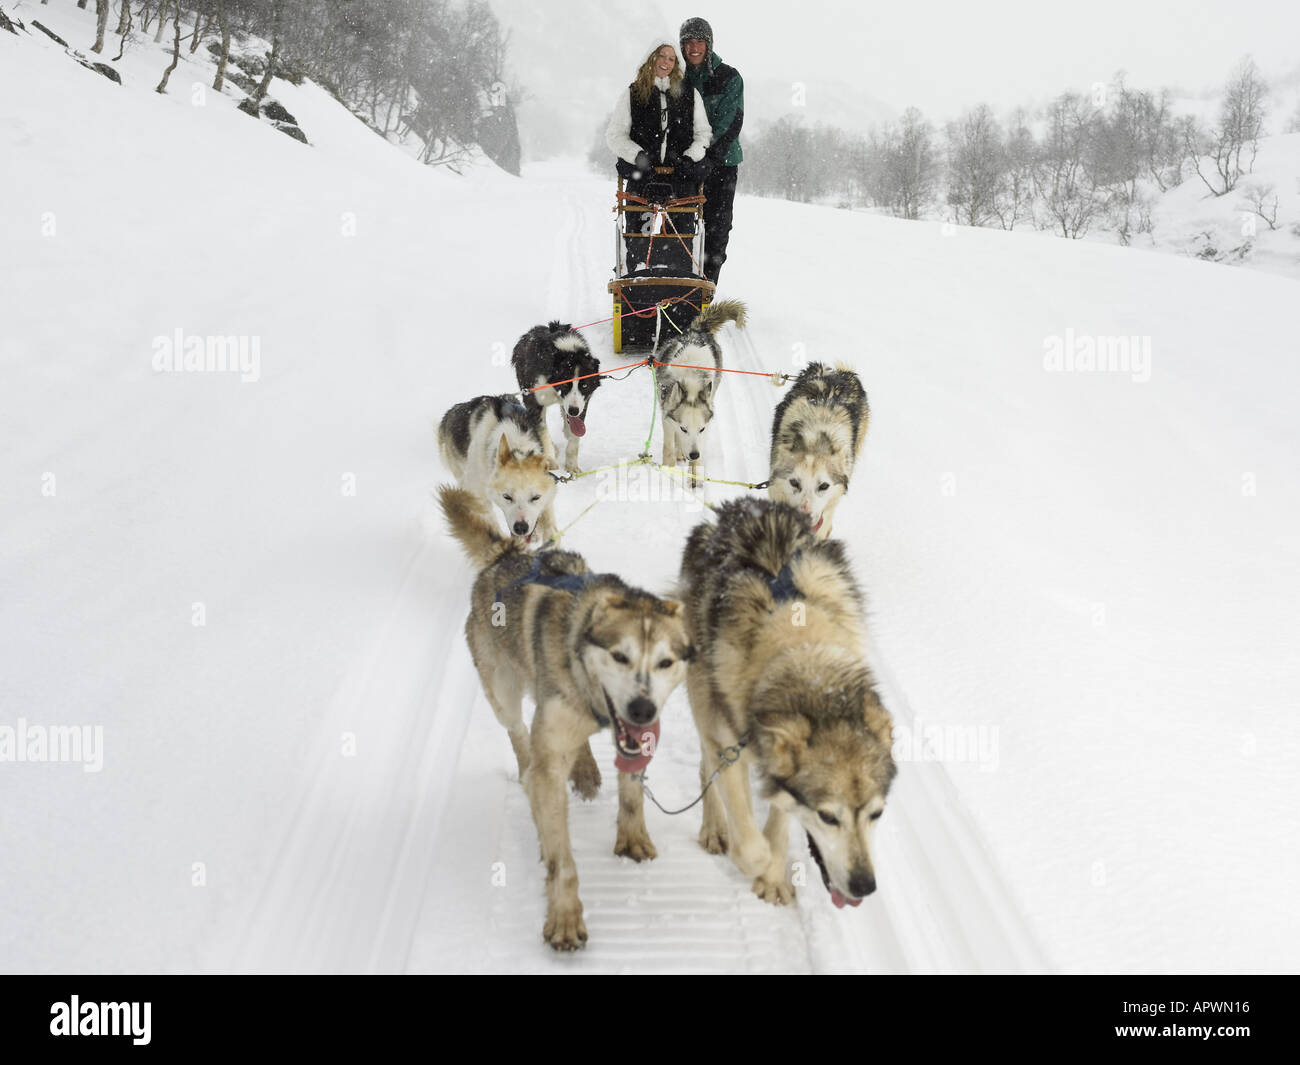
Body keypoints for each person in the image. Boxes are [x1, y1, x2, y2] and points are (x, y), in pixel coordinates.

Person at [606, 41, 712, 270]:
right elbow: (615, 135)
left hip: (681, 176)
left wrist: (688, 158)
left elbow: (703, 135)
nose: (666, 62)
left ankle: (679, 285)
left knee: (680, 238)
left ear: (677, 65)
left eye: (672, 59)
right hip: (643, 175)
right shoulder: (633, 93)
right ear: (651, 58)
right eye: (661, 56)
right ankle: (635, 282)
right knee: (638, 238)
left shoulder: (690, 95)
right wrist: (638, 156)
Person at [680, 17, 743, 285]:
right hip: (686, 165)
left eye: (699, 41)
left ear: (709, 43)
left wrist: (709, 158)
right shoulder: (678, 79)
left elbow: (729, 124)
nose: (694, 47)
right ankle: (679, 288)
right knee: (680, 228)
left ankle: (706, 290)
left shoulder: (729, 77)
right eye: (688, 42)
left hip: (722, 165)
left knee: (717, 231)